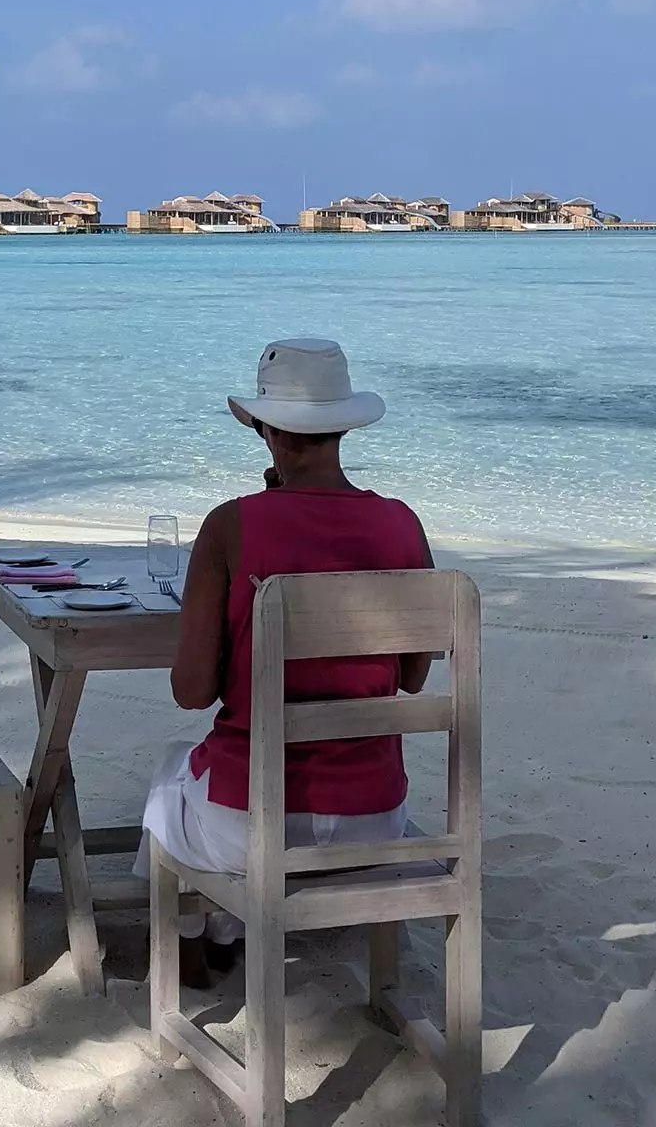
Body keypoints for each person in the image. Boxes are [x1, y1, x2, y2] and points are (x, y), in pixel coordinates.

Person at [136, 338, 435, 987]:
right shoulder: (402, 526)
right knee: (193, 779)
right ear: (342, 428)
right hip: (374, 816)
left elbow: (192, 692)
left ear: (268, 431)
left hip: (251, 820)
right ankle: (227, 931)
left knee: (168, 775)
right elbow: (413, 677)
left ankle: (194, 955)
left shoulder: (231, 527)